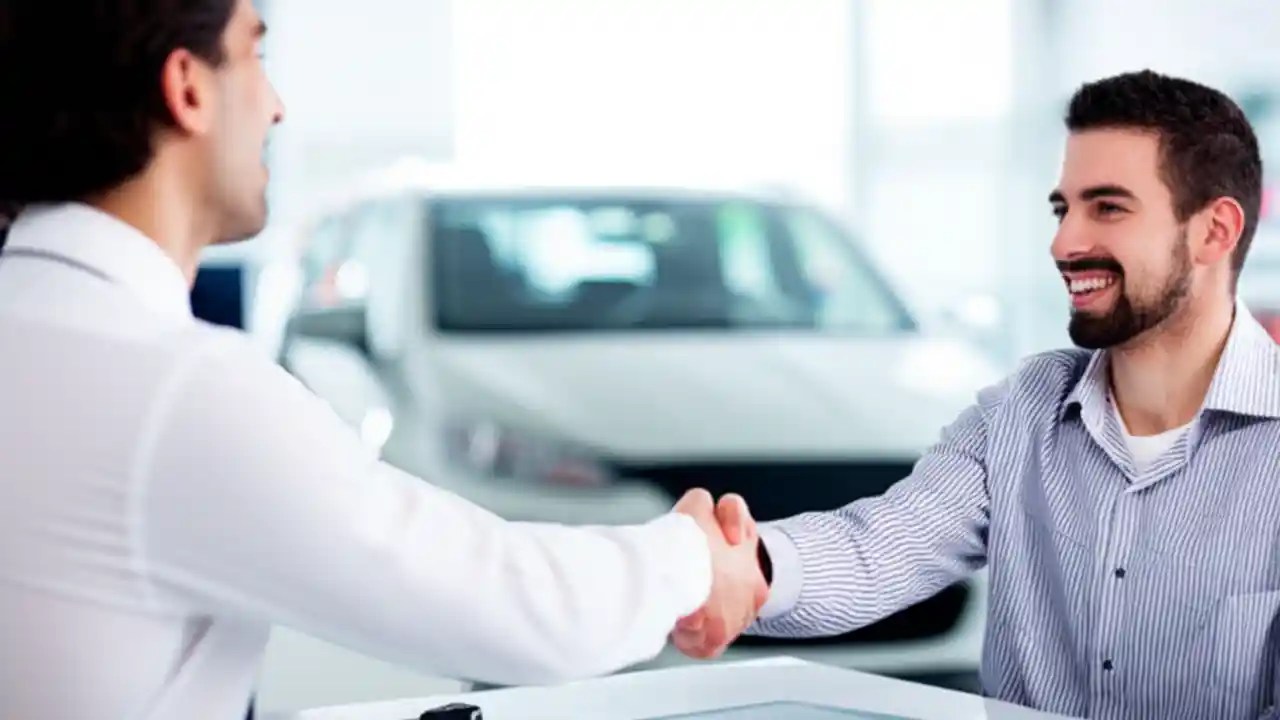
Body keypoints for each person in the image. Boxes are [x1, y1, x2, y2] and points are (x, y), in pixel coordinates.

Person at [0, 2, 767, 719]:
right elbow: (503, 601)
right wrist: (689, 559)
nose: (276, 105)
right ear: (188, 89)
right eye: (253, 55)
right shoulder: (177, 390)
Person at [678, 70, 1280, 720]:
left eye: (1107, 207)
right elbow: (879, 548)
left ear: (1214, 232)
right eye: (1063, 208)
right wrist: (741, 567)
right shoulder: (1020, 411)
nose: (1064, 243)